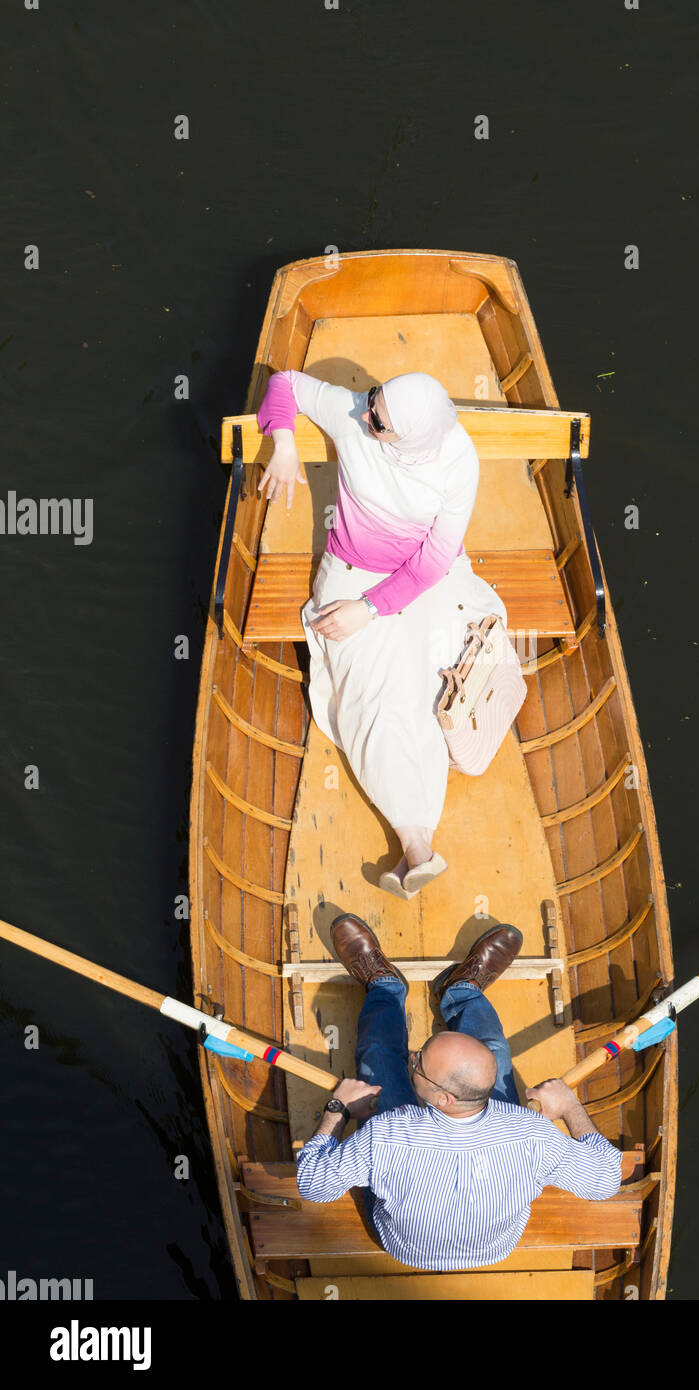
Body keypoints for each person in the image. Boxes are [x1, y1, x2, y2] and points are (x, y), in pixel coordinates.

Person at [256, 370, 505, 899]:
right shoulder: (354, 416)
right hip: (352, 572)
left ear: (416, 434)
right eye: (373, 403)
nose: (366, 418)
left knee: (425, 684)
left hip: (420, 582)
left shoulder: (458, 459)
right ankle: (415, 844)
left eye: (383, 422)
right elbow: (285, 384)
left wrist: (369, 610)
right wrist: (282, 444)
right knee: (371, 693)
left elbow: (433, 563)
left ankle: (416, 843)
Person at [295, 913, 623, 1272]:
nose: (413, 1054)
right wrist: (569, 1105)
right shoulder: (532, 1132)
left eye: (419, 1064)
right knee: (493, 1047)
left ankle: (385, 989)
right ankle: (463, 991)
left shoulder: (385, 1133)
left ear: (441, 1099)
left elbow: (314, 1184)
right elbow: (605, 1180)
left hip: (403, 1246)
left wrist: (338, 1107)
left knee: (379, 1055)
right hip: (496, 1247)